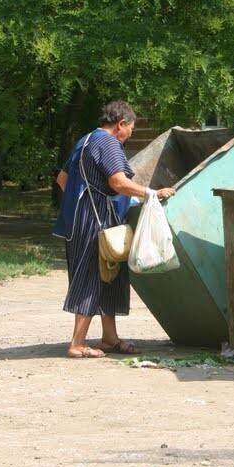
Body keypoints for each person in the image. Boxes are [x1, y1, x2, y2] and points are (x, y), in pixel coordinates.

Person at [53, 101, 175, 358]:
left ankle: (109, 338)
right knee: (91, 277)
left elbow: (62, 179)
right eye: (131, 128)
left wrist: (84, 202)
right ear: (121, 124)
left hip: (80, 220)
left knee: (109, 277)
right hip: (94, 223)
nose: (131, 133)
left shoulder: (85, 140)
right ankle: (77, 343)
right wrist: (151, 193)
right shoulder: (108, 143)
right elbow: (118, 182)